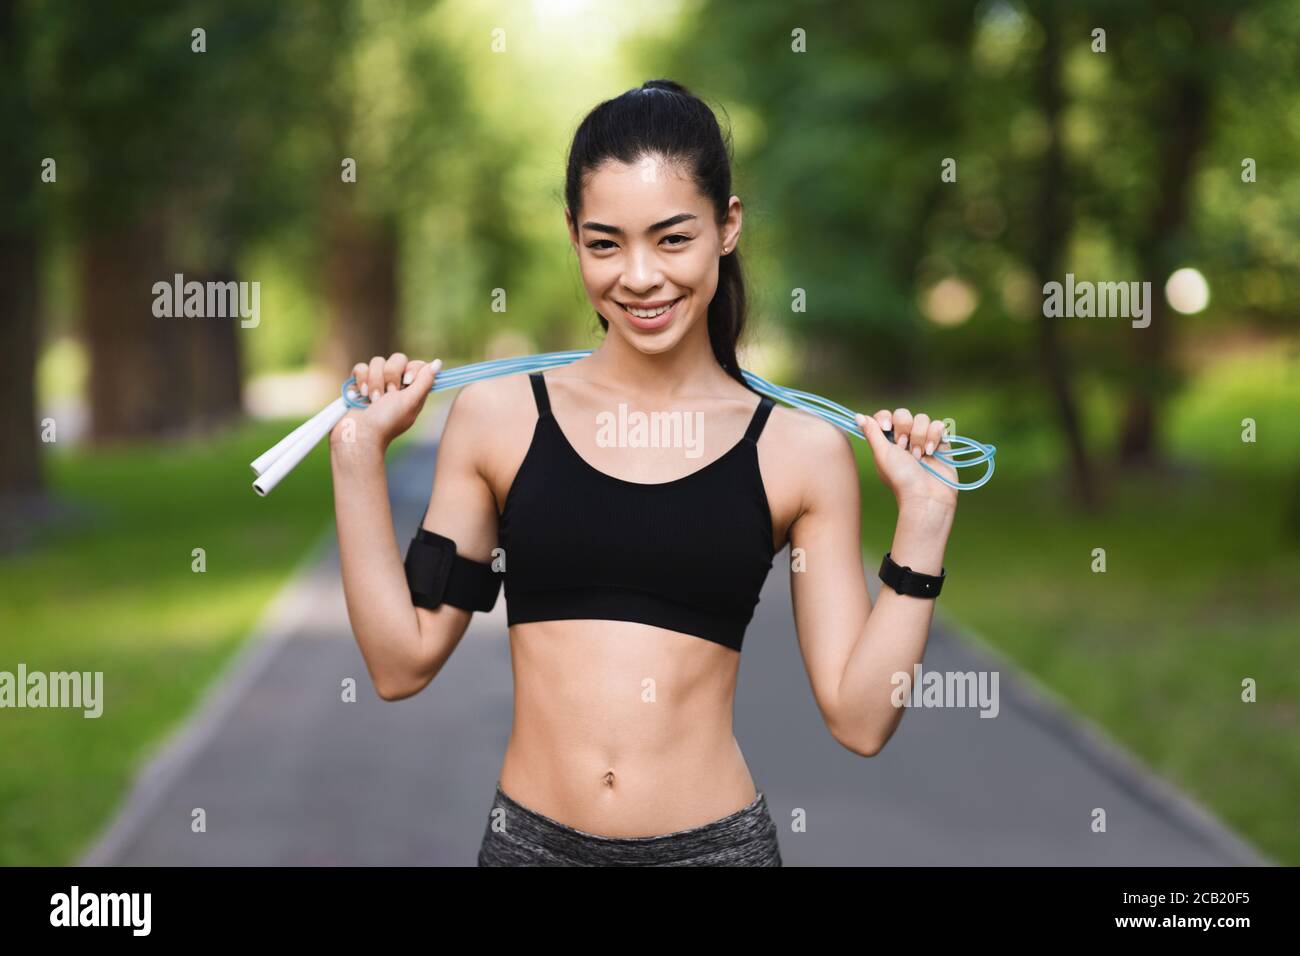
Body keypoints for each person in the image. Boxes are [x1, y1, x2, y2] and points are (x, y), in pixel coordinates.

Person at [328, 79, 958, 866]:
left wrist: (925, 522)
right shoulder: (499, 419)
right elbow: (399, 662)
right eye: (604, 243)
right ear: (573, 236)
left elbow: (861, 720)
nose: (639, 277)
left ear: (727, 227)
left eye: (671, 238)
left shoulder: (798, 449)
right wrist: (356, 459)